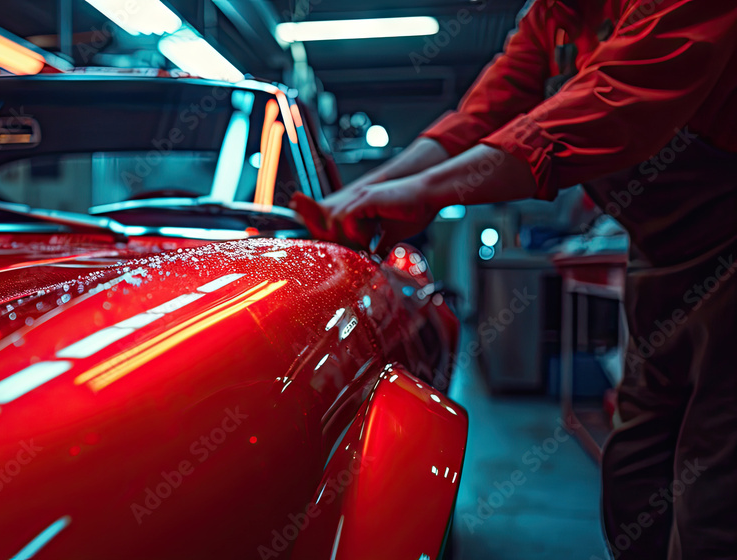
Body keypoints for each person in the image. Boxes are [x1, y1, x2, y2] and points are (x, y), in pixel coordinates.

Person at [290, 1, 737, 559]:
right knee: (636, 481)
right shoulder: (550, 16)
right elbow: (478, 119)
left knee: (715, 502)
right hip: (659, 258)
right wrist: (364, 192)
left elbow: (611, 107)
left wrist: (424, 192)